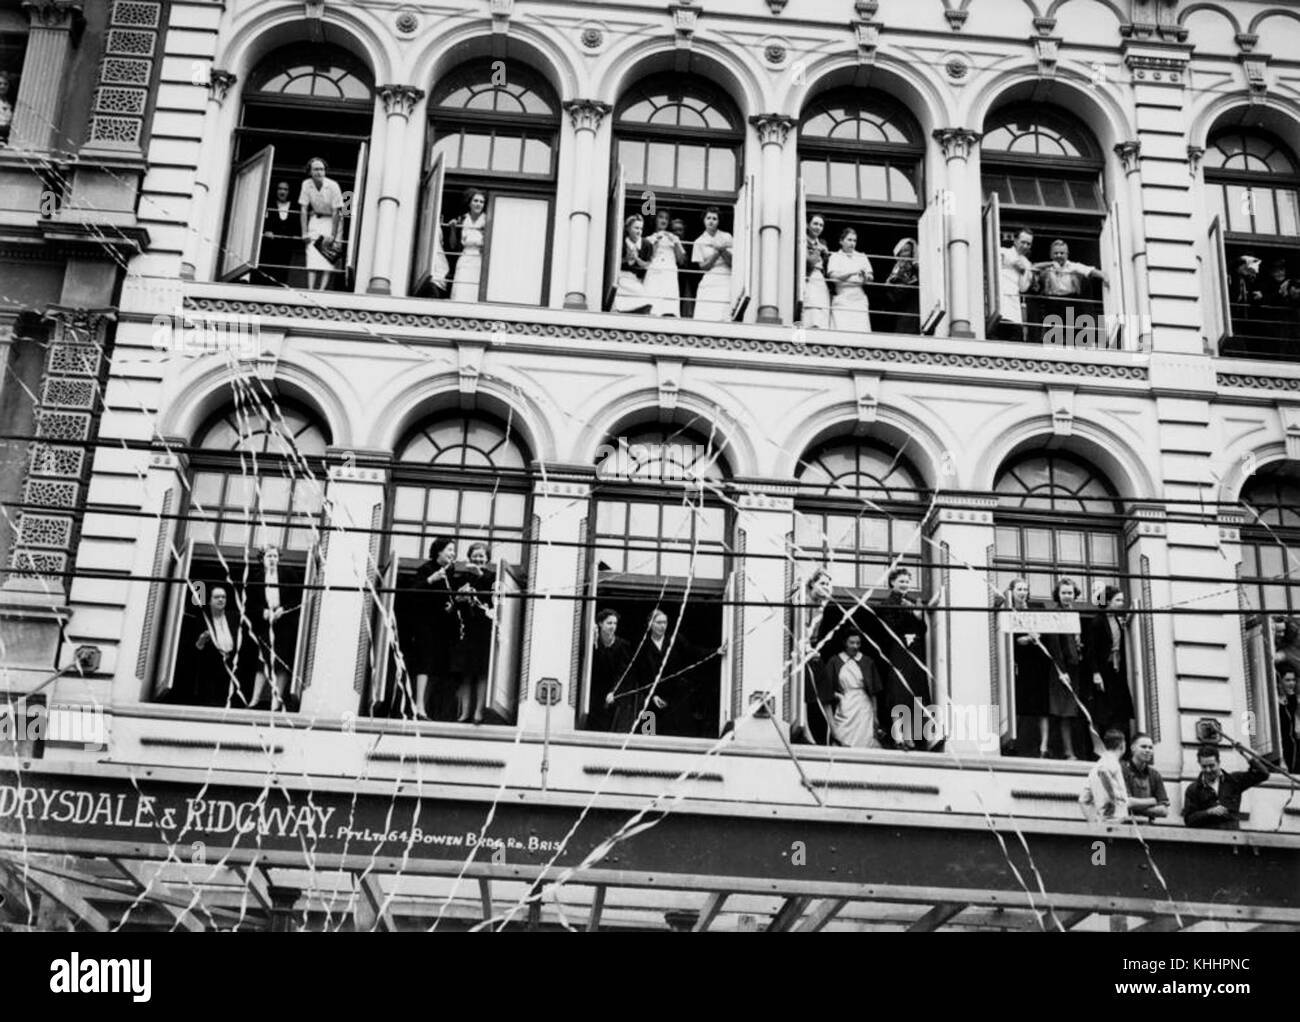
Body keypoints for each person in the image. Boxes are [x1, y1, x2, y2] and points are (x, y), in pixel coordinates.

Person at [625, 608, 726, 738]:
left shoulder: (675, 640)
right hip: (651, 700)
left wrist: (715, 652)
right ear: (650, 624)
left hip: (675, 696)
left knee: (674, 734)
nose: (662, 626)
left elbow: (693, 652)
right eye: (659, 622)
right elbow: (640, 674)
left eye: (665, 622)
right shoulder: (642, 645)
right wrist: (652, 695)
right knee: (648, 735)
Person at [877, 567, 939, 749]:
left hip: (914, 655)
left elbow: (923, 631)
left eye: (907, 581)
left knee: (915, 694)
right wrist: (910, 616)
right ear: (892, 583)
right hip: (897, 654)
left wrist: (918, 618)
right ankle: (898, 737)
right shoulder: (887, 604)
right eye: (901, 581)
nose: (905, 585)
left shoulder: (912, 603)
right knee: (898, 694)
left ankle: (912, 735)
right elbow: (889, 629)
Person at [246, 545, 302, 711]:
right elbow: (249, 603)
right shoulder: (256, 577)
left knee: (281, 663)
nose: (272, 559)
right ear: (262, 559)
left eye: (275, 556)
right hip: (265, 624)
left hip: (285, 624)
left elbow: (298, 597)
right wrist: (262, 612)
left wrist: (283, 609)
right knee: (262, 661)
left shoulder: (288, 574)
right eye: (269, 556)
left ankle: (275, 702)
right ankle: (254, 700)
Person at [409, 537, 458, 721]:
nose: (452, 554)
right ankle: (418, 706)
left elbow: (450, 597)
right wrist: (431, 579)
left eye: (453, 551)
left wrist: (452, 606)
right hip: (426, 625)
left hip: (443, 627)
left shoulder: (451, 572)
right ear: (438, 551)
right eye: (449, 550)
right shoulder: (426, 569)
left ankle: (425, 708)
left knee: (437, 667)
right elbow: (412, 593)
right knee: (424, 664)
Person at [450, 541, 496, 724]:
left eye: (481, 556)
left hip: (485, 631)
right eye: (475, 555)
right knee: (466, 673)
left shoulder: (494, 577)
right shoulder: (463, 577)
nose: (478, 558)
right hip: (467, 629)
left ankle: (478, 712)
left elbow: (497, 601)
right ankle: (465, 713)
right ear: (470, 557)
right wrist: (460, 597)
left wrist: (482, 577)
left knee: (482, 673)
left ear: (487, 559)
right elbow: (454, 600)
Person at [1008, 577, 1052, 757]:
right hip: (1019, 664)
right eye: (1019, 589)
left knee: (1042, 706)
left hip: (1038, 663)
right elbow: (1008, 638)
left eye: (1025, 589)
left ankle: (1044, 746)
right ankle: (1011, 741)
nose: (1023, 592)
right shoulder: (1008, 611)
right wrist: (1022, 640)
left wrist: (1038, 636)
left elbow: (1048, 630)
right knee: (1017, 704)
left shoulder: (1038, 609)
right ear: (1012, 592)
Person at [1085, 585, 1136, 738]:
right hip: (1103, 669)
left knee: (1119, 707)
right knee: (1103, 709)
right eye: (1118, 600)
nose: (1121, 603)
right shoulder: (1097, 621)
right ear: (1108, 601)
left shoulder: (1117, 619)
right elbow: (1091, 650)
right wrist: (1095, 673)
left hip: (1116, 668)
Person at [1041, 577, 1084, 760]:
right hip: (1060, 670)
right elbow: (1055, 645)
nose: (1067, 596)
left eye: (1070, 593)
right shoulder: (1055, 614)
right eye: (1064, 593)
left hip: (1074, 668)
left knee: (1070, 712)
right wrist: (1061, 671)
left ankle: (1068, 751)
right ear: (1058, 595)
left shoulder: (1074, 613)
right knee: (1062, 711)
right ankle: (1065, 751)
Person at [1182, 744, 1269, 829]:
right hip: (1208, 840)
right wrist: (1208, 812)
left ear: (1219, 762)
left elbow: (1263, 774)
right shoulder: (1193, 789)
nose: (1208, 770)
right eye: (1204, 766)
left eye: (1211, 766)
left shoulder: (1234, 780)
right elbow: (1189, 820)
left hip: (1232, 839)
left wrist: (1245, 754)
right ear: (1199, 764)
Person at [822, 631, 882, 749]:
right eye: (852, 643)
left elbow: (873, 692)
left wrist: (875, 715)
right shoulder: (835, 661)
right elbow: (826, 690)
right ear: (845, 643)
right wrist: (836, 695)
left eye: (858, 643)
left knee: (865, 740)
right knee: (841, 739)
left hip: (864, 706)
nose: (855, 646)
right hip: (845, 704)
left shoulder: (867, 661)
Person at [190, 584, 242, 708]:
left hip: (232, 671)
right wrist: (201, 641)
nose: (221, 600)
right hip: (210, 673)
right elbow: (193, 653)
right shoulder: (202, 619)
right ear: (209, 601)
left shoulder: (234, 617)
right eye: (217, 597)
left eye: (223, 597)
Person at [298, 158, 344, 291]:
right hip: (316, 219)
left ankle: (322, 290)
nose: (319, 172)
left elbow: (336, 211)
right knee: (312, 253)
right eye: (316, 169)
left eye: (322, 169)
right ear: (310, 172)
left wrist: (333, 235)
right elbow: (303, 208)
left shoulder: (333, 185)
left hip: (332, 221)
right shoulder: (306, 184)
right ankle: (311, 289)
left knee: (328, 256)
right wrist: (304, 232)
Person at [591, 609, 635, 732]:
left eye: (615, 624)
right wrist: (594, 642)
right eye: (609, 623)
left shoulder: (622, 645)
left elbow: (623, 672)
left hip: (612, 693)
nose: (613, 627)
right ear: (600, 624)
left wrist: (614, 691)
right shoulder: (593, 643)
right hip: (594, 692)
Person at [827, 228, 873, 333]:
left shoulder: (861, 256)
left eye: (854, 240)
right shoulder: (835, 257)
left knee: (860, 331)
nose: (852, 243)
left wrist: (865, 276)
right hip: (842, 298)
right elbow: (833, 276)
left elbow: (870, 277)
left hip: (859, 298)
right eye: (849, 240)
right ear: (841, 241)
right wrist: (851, 272)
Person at [691, 207, 733, 323]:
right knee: (707, 314)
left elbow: (732, 262)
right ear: (704, 220)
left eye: (714, 218)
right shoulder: (699, 241)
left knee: (723, 314)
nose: (711, 221)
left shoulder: (727, 237)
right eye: (708, 218)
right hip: (710, 277)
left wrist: (723, 250)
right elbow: (703, 267)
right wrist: (717, 252)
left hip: (726, 276)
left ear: (718, 221)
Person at [1078, 728, 1130, 823]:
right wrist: (1113, 800)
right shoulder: (1112, 762)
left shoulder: (1096, 767)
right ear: (1122, 745)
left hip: (1102, 823)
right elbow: (1103, 772)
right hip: (1116, 820)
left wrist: (1094, 822)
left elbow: (1083, 800)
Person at [642, 210, 685, 317]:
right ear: (655, 219)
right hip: (654, 272)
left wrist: (676, 243)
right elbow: (649, 258)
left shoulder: (674, 238)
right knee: (652, 306)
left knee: (668, 308)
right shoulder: (649, 238)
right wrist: (656, 240)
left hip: (669, 273)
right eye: (661, 217)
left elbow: (681, 260)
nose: (664, 220)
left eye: (666, 218)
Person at [997, 228, 1035, 340]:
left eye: (1028, 244)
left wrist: (1024, 272)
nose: (1025, 246)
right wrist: (1013, 263)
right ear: (1015, 240)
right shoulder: (1003, 251)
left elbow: (1023, 288)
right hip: (1000, 299)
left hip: (1014, 303)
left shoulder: (1027, 263)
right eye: (1023, 242)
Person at [1122, 733, 1169, 822]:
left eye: (1150, 748)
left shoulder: (1155, 775)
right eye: (1143, 747)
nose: (1148, 750)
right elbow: (1125, 803)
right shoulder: (1123, 770)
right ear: (1133, 748)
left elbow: (1164, 810)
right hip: (1126, 825)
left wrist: (1135, 806)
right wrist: (1153, 801)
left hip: (1148, 827)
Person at [450, 189, 487, 303]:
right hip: (465, 257)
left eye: (481, 202)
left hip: (480, 260)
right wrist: (452, 229)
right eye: (475, 201)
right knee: (462, 290)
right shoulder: (462, 219)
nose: (478, 204)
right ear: (469, 203)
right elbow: (452, 246)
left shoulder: (488, 219)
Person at [258, 181, 298, 287]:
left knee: (282, 270)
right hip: (270, 244)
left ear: (289, 192)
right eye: (280, 189)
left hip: (286, 244)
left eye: (285, 189)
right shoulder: (269, 204)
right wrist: (265, 230)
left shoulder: (295, 206)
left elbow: (297, 223)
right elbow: (261, 219)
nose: (282, 191)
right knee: (267, 269)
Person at [613, 215, 654, 314]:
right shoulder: (620, 242)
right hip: (621, 277)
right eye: (636, 228)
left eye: (641, 228)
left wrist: (637, 259)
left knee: (643, 297)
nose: (639, 231)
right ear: (628, 228)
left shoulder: (646, 244)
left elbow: (647, 264)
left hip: (636, 279)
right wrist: (626, 258)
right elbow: (614, 261)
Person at [884, 237, 920, 334]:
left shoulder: (917, 268)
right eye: (902, 251)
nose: (904, 254)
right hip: (902, 310)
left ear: (912, 252)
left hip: (916, 307)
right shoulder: (894, 273)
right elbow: (890, 297)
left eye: (907, 251)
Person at [803, 214, 831, 329]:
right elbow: (810, 262)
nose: (818, 227)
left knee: (821, 308)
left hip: (820, 278)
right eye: (815, 223)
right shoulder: (803, 240)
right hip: (809, 277)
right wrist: (818, 250)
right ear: (807, 225)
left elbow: (828, 267)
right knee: (812, 308)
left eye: (821, 225)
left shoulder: (823, 243)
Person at [671, 217, 697, 317]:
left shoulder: (689, 246)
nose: (677, 233)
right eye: (675, 230)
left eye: (680, 230)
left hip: (686, 280)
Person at [1277, 666, 1298, 773]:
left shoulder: (1292, 700)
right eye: (1288, 680)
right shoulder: (1274, 703)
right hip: (1281, 747)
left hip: (1292, 745)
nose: (1292, 683)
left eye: (1293, 680)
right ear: (1280, 682)